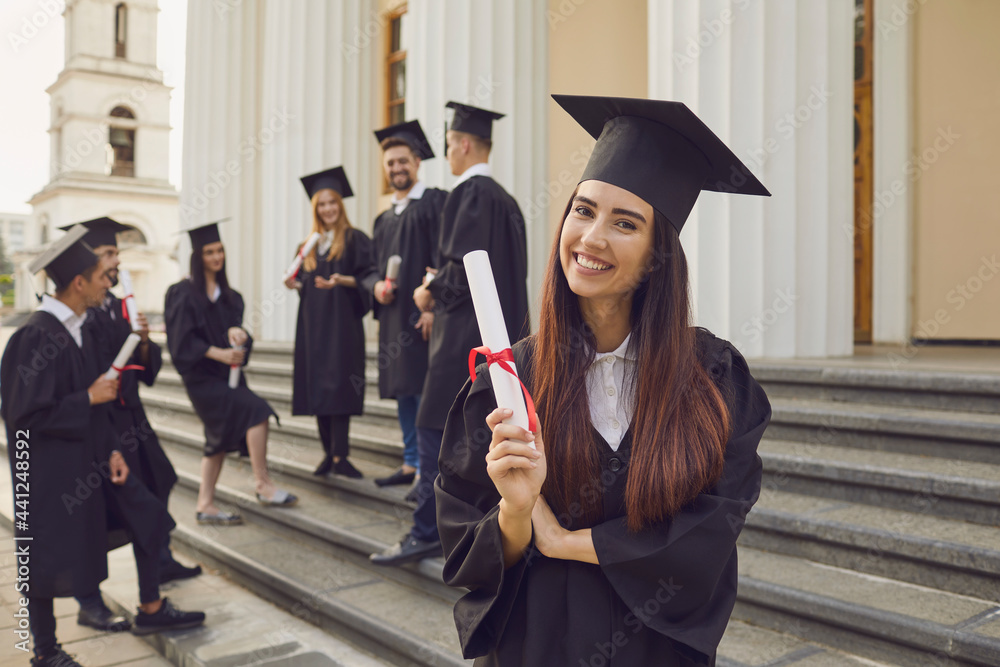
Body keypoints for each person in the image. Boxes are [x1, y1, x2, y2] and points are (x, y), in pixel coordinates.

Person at [434, 95, 773, 666]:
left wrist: (569, 542)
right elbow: (465, 541)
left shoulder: (712, 376)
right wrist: (517, 511)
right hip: (538, 645)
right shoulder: (509, 379)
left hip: (655, 650)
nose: (591, 238)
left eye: (625, 222)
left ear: (656, 255)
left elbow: (714, 526)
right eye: (583, 211)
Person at [2, 228, 204, 667]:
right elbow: (22, 415)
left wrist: (111, 448)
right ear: (79, 282)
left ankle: (150, 607)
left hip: (88, 456)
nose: (107, 282)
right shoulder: (37, 335)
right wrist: (87, 399)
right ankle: (45, 651)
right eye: (100, 275)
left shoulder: (73, 329)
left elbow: (93, 399)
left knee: (147, 513)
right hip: (49, 471)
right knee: (42, 558)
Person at [371, 102, 529, 566]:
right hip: (500, 343)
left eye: (448, 145)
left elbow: (462, 271)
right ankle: (481, 535)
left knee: (433, 433)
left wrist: (427, 291)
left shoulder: (469, 194)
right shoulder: (506, 200)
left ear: (462, 143)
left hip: (463, 341)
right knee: (484, 442)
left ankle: (425, 532)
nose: (448, 154)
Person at [56, 218, 200, 635]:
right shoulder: (82, 314)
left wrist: (145, 339)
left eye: (116, 254)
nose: (116, 263)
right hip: (101, 423)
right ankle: (89, 599)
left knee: (161, 483)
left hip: (131, 417)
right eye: (108, 255)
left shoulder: (120, 305)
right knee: (99, 513)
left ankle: (159, 563)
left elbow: (145, 372)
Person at [165, 220, 297, 525]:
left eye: (220, 250)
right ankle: (263, 484)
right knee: (258, 411)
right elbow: (181, 343)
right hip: (201, 380)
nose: (216, 257)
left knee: (218, 438)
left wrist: (239, 336)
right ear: (198, 257)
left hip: (229, 378)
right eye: (209, 252)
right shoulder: (181, 293)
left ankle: (205, 504)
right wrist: (220, 353)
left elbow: (238, 338)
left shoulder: (230, 297)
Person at [361, 120, 447, 492]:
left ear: (417, 162)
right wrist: (376, 286)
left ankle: (432, 469)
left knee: (426, 392)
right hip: (394, 316)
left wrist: (432, 308)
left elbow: (442, 259)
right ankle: (411, 463)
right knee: (402, 389)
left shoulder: (434, 203)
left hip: (423, 317)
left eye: (402, 161)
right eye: (390, 163)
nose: (396, 169)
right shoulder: (383, 220)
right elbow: (371, 270)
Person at [285, 167, 376, 478]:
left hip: (342, 327)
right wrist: (295, 285)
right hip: (313, 329)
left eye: (332, 203)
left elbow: (369, 278)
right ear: (316, 209)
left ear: (340, 204)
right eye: (321, 205)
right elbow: (304, 285)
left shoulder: (355, 240)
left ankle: (341, 455)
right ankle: (328, 454)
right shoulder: (307, 246)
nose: (327, 209)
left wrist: (344, 280)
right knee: (317, 390)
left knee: (339, 387)